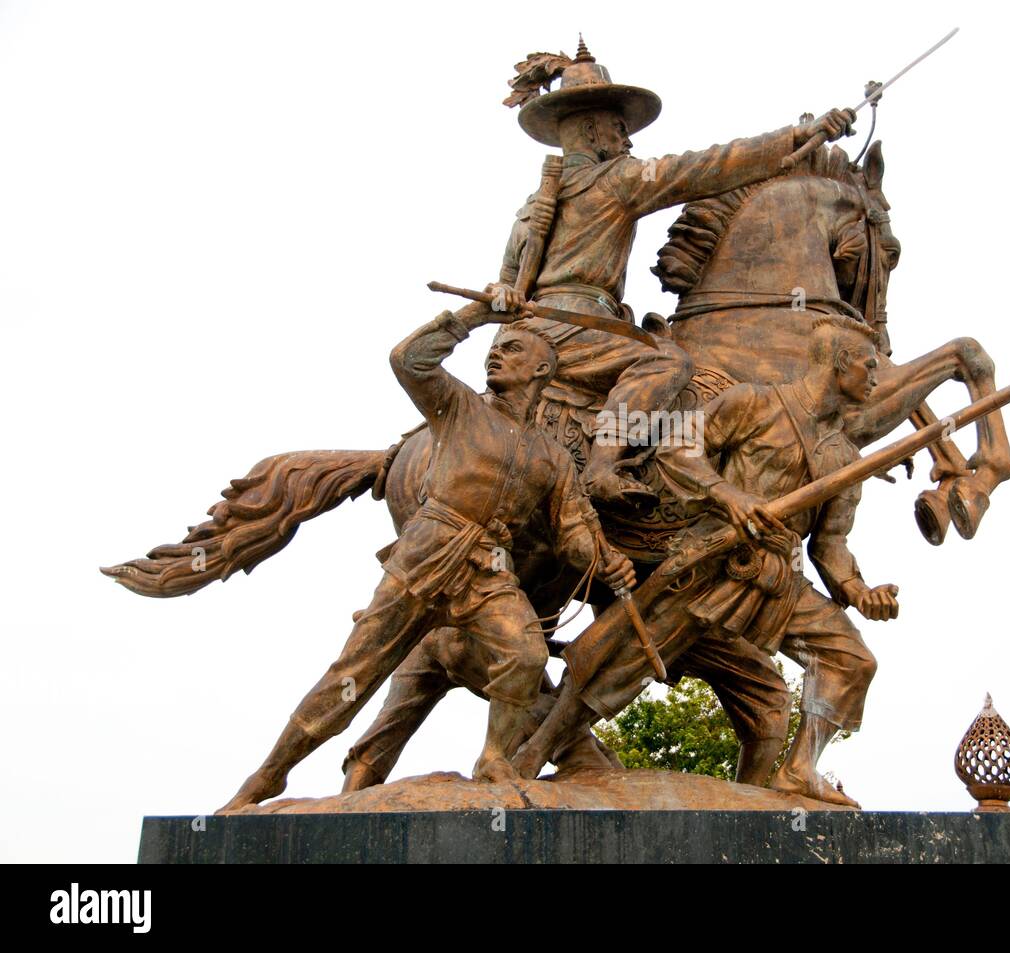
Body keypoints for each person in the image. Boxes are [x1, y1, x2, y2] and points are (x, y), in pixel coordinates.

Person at [218, 302, 634, 812]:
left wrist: (606, 559)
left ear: (543, 369)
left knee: (525, 653)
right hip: (427, 551)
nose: (494, 356)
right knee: (354, 674)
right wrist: (476, 316)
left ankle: (494, 758)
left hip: (487, 566)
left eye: (511, 349)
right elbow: (407, 360)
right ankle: (266, 779)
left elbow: (573, 532)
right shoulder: (458, 406)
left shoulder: (549, 456)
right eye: (494, 349)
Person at [514, 316, 898, 807]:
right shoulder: (754, 403)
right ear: (840, 362)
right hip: (709, 560)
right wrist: (727, 495)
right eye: (870, 364)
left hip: (775, 576)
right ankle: (530, 757)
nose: (876, 376)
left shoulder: (843, 454)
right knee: (617, 665)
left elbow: (830, 546)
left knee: (851, 660)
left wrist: (859, 591)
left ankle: (800, 771)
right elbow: (679, 447)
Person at [488, 38, 858, 505]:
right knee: (667, 360)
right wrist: (793, 140)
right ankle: (602, 466)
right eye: (618, 127)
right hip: (571, 328)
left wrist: (502, 295)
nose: (628, 140)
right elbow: (705, 168)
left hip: (540, 330)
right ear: (589, 128)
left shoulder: (534, 204)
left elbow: (505, 283)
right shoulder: (617, 182)